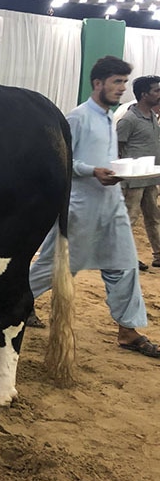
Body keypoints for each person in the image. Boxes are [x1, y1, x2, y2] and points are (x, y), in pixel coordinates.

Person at [27, 56, 160, 357]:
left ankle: (128, 332)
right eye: (117, 82)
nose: (122, 88)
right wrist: (92, 171)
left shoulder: (108, 118)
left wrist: (118, 172)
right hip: (80, 209)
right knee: (54, 269)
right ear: (98, 83)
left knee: (125, 267)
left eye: (125, 82)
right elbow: (61, 161)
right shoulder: (78, 118)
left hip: (112, 207)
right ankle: (7, 303)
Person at [116, 75, 160, 271]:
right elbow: (117, 148)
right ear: (144, 94)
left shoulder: (152, 117)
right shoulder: (129, 120)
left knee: (154, 217)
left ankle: (158, 255)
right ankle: (124, 257)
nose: (159, 94)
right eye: (156, 91)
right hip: (133, 181)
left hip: (150, 176)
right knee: (129, 219)